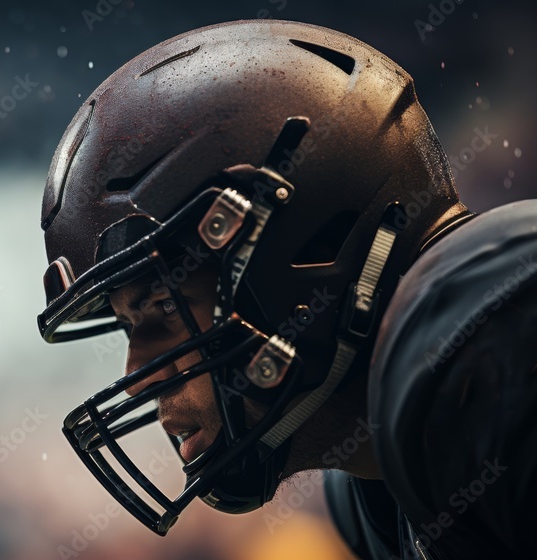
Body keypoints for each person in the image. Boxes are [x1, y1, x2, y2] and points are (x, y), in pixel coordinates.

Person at [36, 19, 532, 559]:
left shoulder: (495, 328)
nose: (137, 377)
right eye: (131, 327)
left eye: (163, 306)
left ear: (301, 251)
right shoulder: (375, 491)